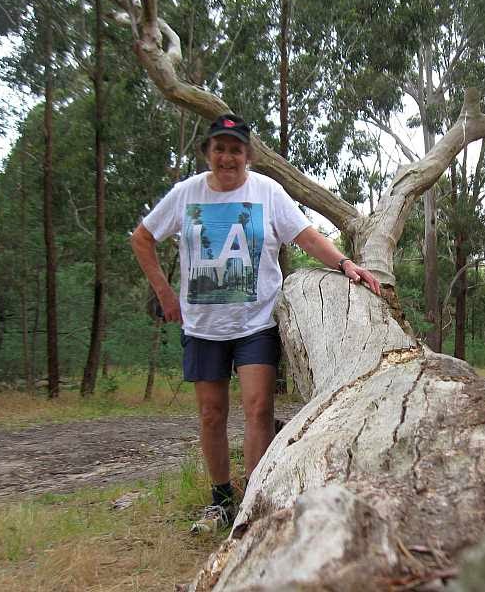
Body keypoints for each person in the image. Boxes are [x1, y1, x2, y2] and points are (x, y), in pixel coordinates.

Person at [131, 114, 381, 533]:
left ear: (247, 155)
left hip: (256, 323)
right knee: (211, 414)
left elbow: (305, 236)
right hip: (203, 327)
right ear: (208, 153)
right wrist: (165, 294)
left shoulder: (267, 191)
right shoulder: (186, 194)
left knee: (259, 409)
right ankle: (220, 501)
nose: (227, 157)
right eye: (220, 148)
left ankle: (254, 503)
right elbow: (142, 238)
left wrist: (344, 263)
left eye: (236, 150)